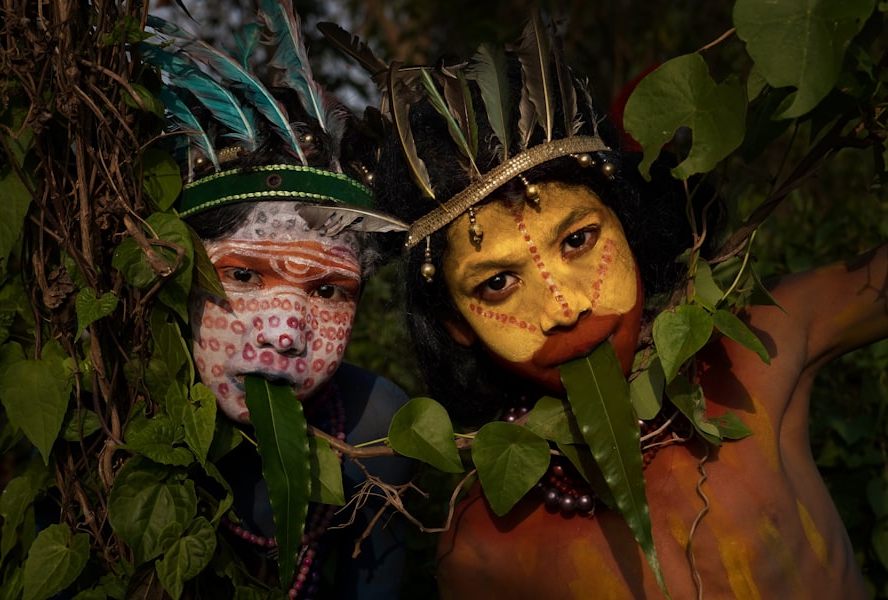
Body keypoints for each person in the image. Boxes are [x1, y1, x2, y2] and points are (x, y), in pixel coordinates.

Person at [370, 15, 885, 600]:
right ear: (454, 324)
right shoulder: (484, 543)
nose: (564, 307)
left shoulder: (757, 353)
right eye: (497, 284)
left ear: (630, 227)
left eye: (577, 240)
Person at [147, 3, 412, 597]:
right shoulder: (109, 410)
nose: (285, 333)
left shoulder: (376, 429)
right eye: (242, 276)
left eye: (328, 290)